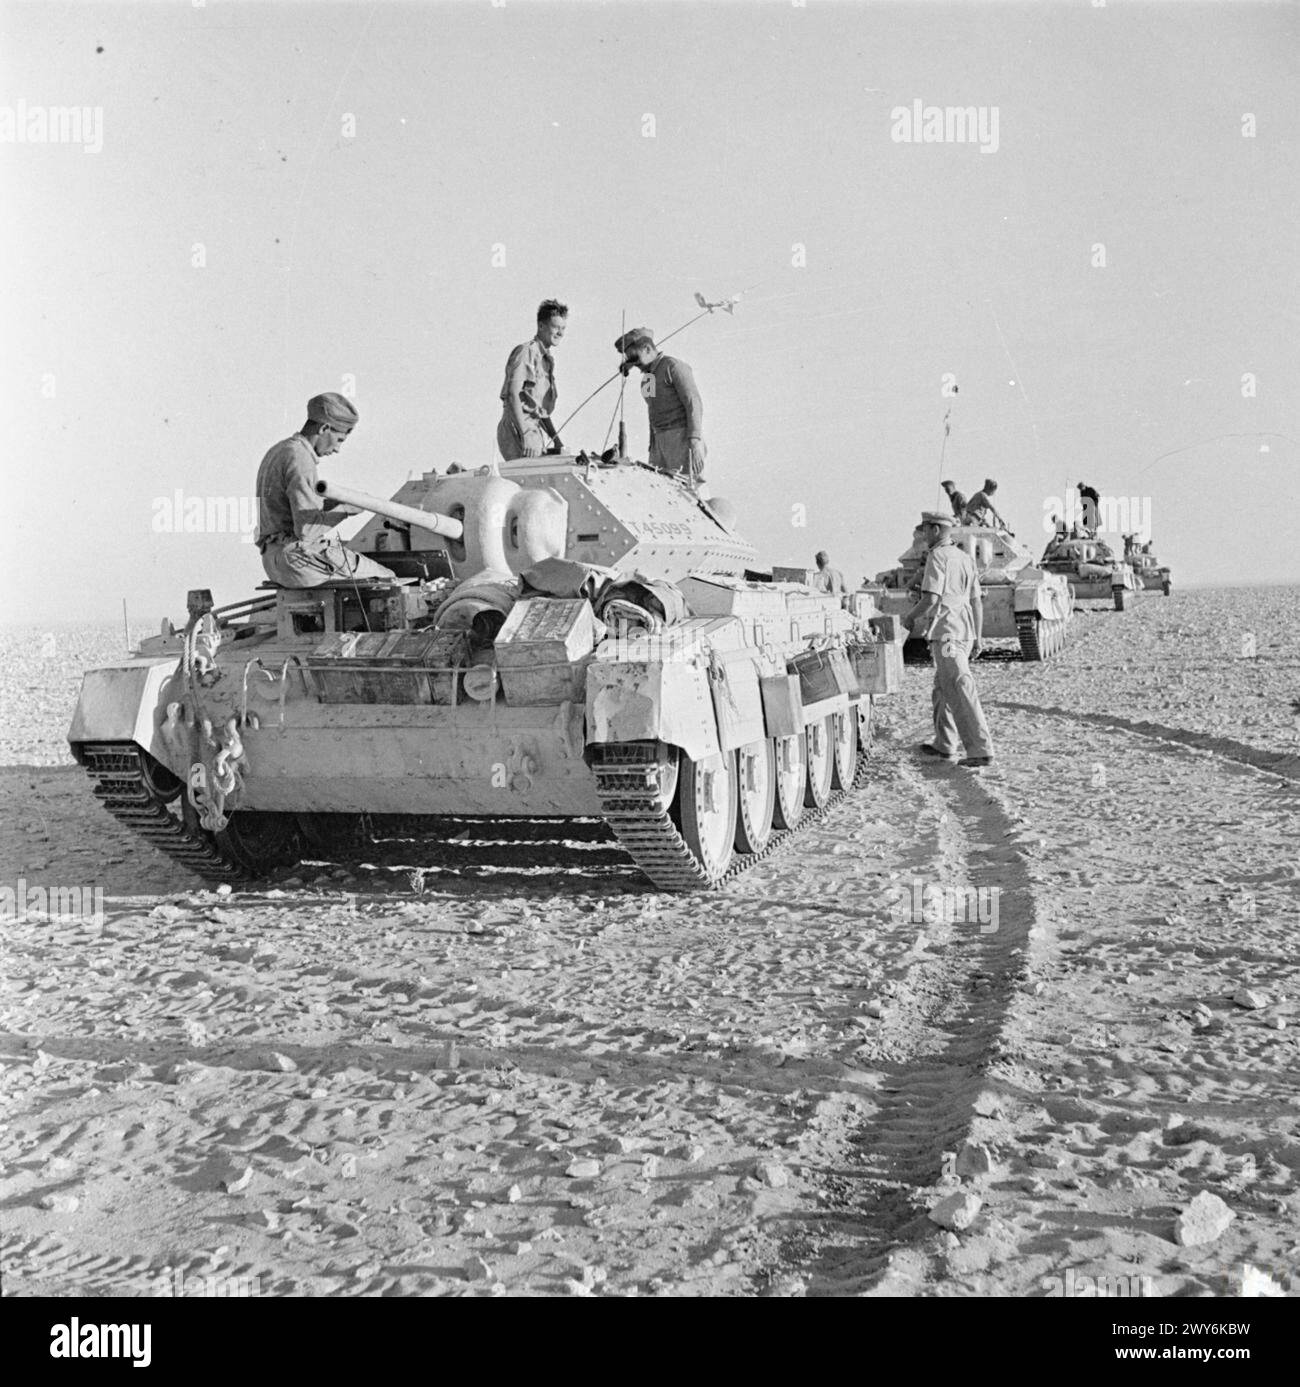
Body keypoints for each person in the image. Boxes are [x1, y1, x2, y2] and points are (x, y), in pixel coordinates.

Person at [254, 393, 394, 588]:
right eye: (339, 440)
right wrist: (348, 508)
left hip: (273, 559)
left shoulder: (281, 450)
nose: (337, 449)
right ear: (324, 428)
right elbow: (308, 531)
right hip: (298, 561)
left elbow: (293, 511)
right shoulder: (301, 458)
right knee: (389, 578)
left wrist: (337, 502)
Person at [903, 511, 994, 767]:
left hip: (948, 631)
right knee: (942, 688)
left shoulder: (937, 556)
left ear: (934, 530)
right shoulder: (965, 558)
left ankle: (980, 750)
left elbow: (930, 598)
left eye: (924, 530)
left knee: (960, 686)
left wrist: (909, 618)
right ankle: (945, 743)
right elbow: (976, 600)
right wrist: (978, 636)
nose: (922, 535)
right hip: (963, 630)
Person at [614, 327, 706, 483]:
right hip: (659, 441)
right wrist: (653, 445)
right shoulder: (647, 378)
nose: (635, 365)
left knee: (686, 489)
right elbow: (652, 410)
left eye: (635, 359)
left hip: (682, 439)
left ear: (647, 348)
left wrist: (695, 441)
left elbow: (693, 403)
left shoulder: (673, 366)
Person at [498, 299, 567, 461]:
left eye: (563, 328)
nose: (560, 333)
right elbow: (512, 395)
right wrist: (525, 433)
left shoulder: (546, 359)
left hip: (532, 428)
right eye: (556, 327)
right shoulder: (526, 352)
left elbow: (539, 410)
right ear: (541, 326)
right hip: (518, 427)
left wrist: (556, 440)